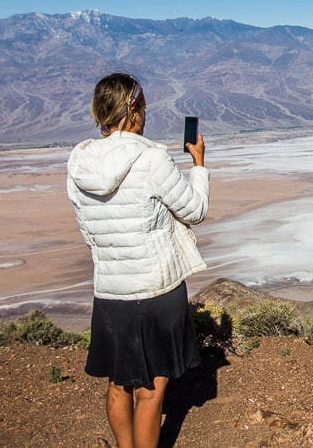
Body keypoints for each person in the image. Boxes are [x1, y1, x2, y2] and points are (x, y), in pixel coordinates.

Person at [66, 73, 209, 448]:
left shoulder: (79, 161)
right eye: (142, 106)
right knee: (150, 390)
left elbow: (86, 228)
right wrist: (199, 166)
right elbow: (194, 211)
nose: (145, 113)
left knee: (118, 384)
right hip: (156, 289)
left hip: (110, 290)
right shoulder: (151, 158)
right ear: (133, 111)